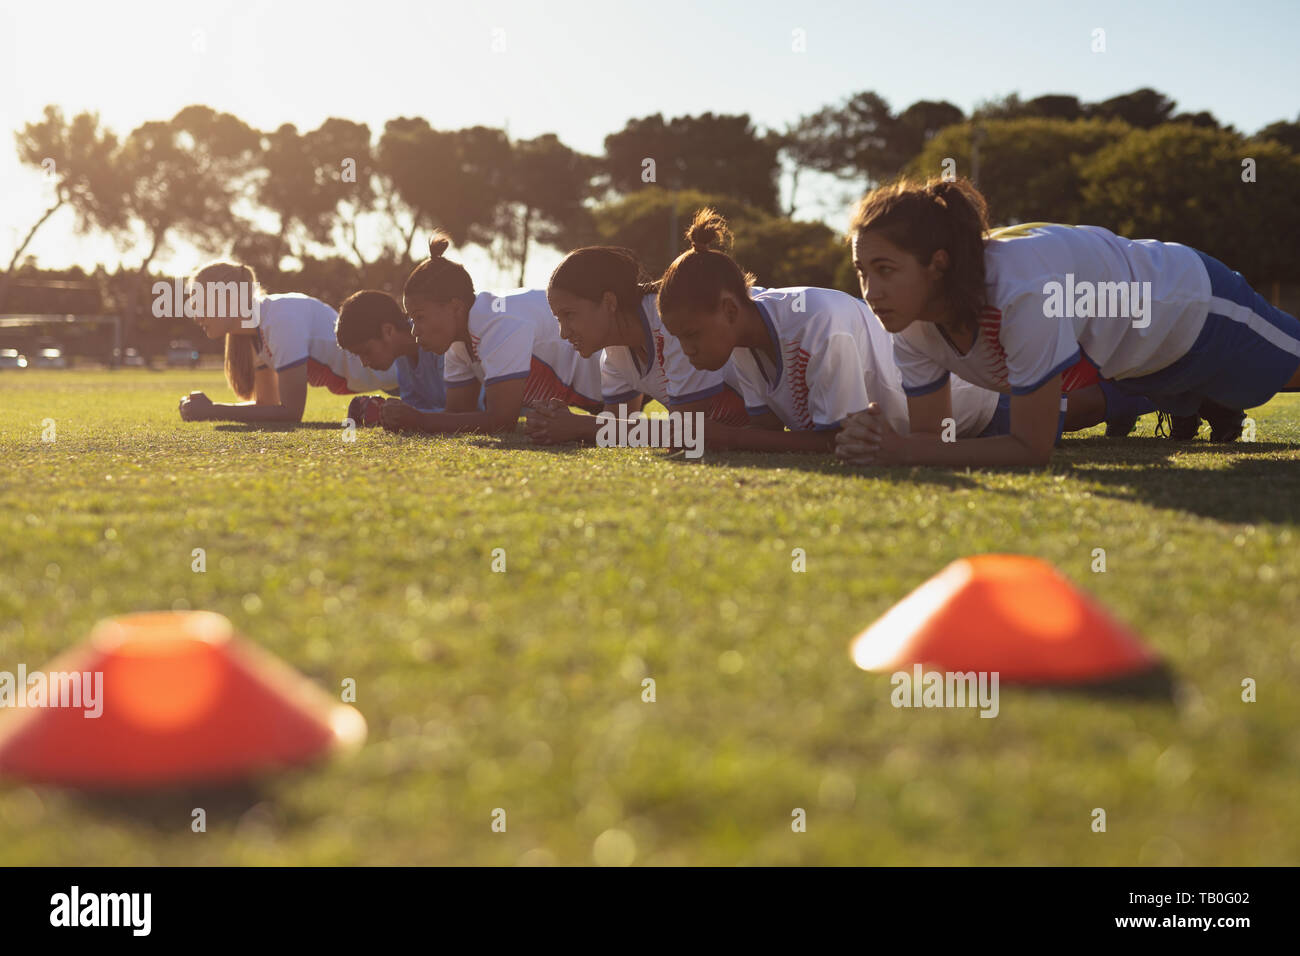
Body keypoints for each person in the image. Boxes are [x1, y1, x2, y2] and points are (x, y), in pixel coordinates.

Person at [836, 177, 1295, 466]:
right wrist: (883, 442)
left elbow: (1031, 449)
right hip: (1136, 367)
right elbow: (933, 439)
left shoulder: (1019, 290)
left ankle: (1210, 398)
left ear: (937, 263)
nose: (870, 292)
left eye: (885, 270)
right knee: (1202, 390)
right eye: (862, 272)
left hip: (1189, 304)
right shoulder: (911, 325)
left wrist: (902, 449)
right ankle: (1204, 401)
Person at [652, 209, 1012, 453]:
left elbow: (837, 440)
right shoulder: (743, 343)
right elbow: (768, 429)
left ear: (729, 309)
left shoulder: (815, 322)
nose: (687, 349)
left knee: (1065, 410)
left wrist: (725, 436)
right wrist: (706, 440)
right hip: (956, 420)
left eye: (692, 334)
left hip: (987, 411)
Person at [524, 245, 749, 446]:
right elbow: (615, 429)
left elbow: (686, 434)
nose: (563, 333)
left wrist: (580, 426)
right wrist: (562, 423)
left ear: (609, 302)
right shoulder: (614, 356)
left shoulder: (673, 325)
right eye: (558, 319)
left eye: (569, 315)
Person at [379, 235, 601, 435]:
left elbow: (502, 422)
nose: (414, 331)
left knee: (621, 429)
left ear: (455, 307)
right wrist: (410, 418)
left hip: (617, 388)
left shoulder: (497, 324)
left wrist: (419, 420)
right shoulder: (459, 343)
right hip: (597, 403)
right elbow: (456, 414)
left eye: (419, 317)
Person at [177, 261, 397, 423]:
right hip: (393, 383)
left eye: (200, 302)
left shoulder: (279, 320)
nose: (195, 315)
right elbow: (268, 406)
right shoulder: (256, 333)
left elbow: (291, 413)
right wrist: (207, 409)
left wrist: (213, 410)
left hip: (403, 374)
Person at [335, 289, 482, 426]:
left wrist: (410, 417)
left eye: (366, 352)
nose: (364, 363)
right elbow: (416, 410)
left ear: (388, 331)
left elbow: (463, 411)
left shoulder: (438, 338)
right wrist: (387, 412)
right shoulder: (401, 357)